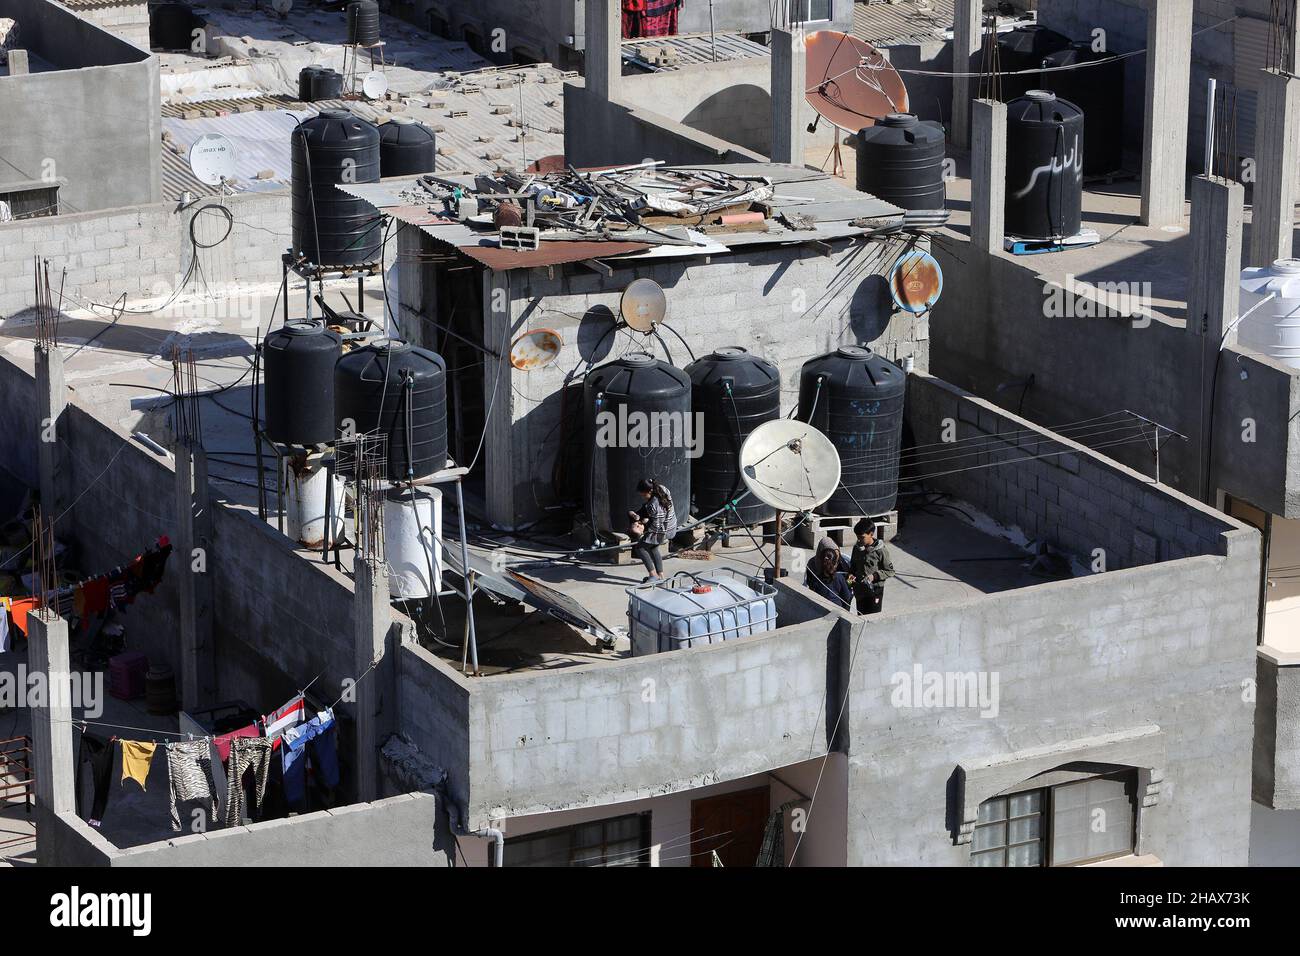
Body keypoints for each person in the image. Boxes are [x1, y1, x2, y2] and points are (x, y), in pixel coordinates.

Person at [629, 478, 675, 582]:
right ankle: (661, 577)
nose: (642, 496)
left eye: (643, 494)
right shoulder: (662, 489)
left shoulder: (653, 505)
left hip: (663, 529)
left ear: (649, 491)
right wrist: (639, 515)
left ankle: (653, 575)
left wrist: (642, 529)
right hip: (671, 524)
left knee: (640, 548)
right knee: (653, 547)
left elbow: (656, 525)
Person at [849, 519, 894, 615]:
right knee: (861, 616)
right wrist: (851, 576)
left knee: (873, 617)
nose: (859, 540)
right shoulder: (857, 548)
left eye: (862, 537)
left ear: (871, 534)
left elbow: (890, 571)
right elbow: (853, 566)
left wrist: (874, 576)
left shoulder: (880, 551)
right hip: (860, 590)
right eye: (857, 537)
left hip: (875, 591)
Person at [804, 537, 853, 610]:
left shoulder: (817, 577)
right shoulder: (839, 577)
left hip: (820, 608)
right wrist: (849, 582)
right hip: (837, 609)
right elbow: (847, 596)